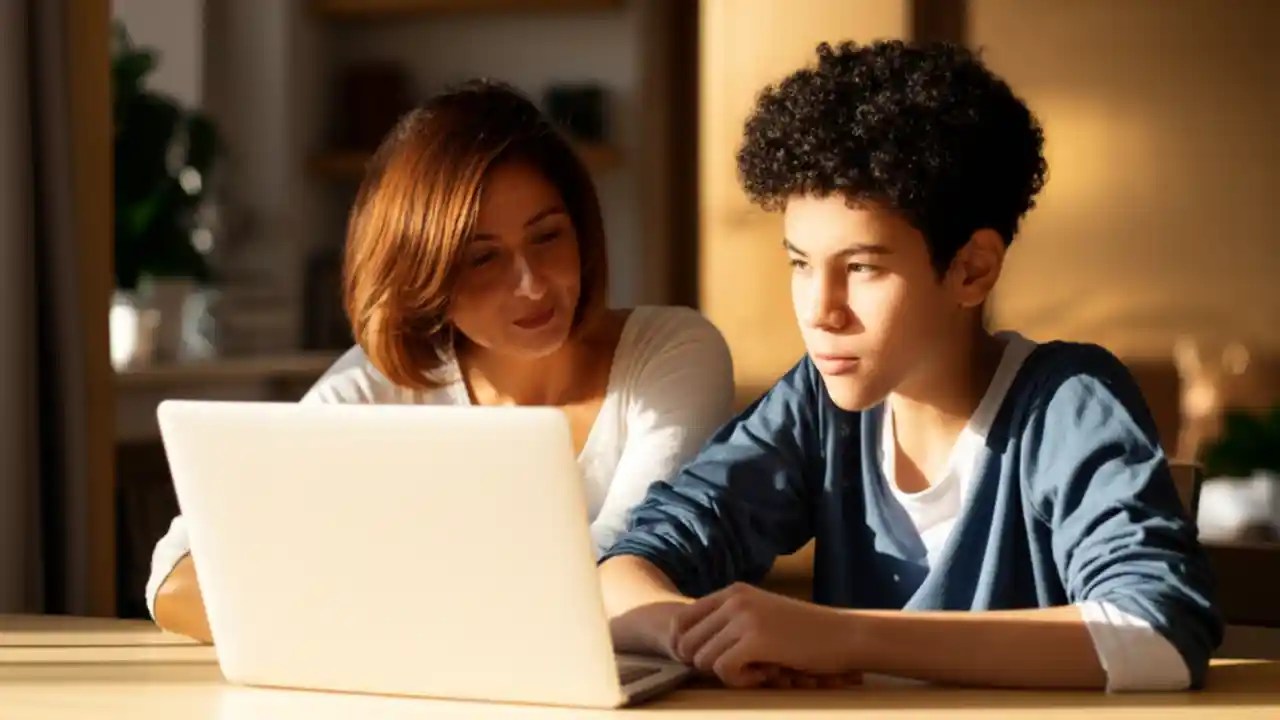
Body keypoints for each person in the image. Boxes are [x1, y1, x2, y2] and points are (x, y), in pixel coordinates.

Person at [599, 40, 1222, 692]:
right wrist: (692, 634)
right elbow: (625, 569)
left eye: (862, 267)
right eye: (800, 263)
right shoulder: (816, 405)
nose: (820, 310)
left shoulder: (1065, 403)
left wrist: (843, 638)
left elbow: (1159, 631)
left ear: (971, 268)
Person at [148, 80, 735, 643]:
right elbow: (176, 573)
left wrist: (356, 597)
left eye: (548, 237)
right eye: (483, 260)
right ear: (422, 278)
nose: (531, 284)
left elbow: (618, 568)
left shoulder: (672, 352)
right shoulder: (380, 381)